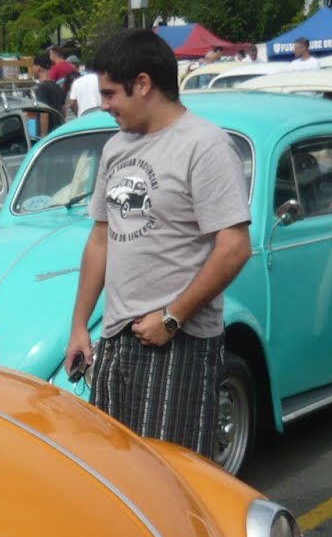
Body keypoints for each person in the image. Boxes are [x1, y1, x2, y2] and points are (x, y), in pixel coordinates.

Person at [64, 29, 251, 460]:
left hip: (178, 342)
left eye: (111, 94)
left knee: (170, 477)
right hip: (118, 339)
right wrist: (79, 326)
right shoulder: (115, 148)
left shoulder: (205, 145)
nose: (105, 105)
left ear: (144, 84)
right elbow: (100, 240)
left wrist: (172, 318)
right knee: (116, 470)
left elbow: (234, 247)